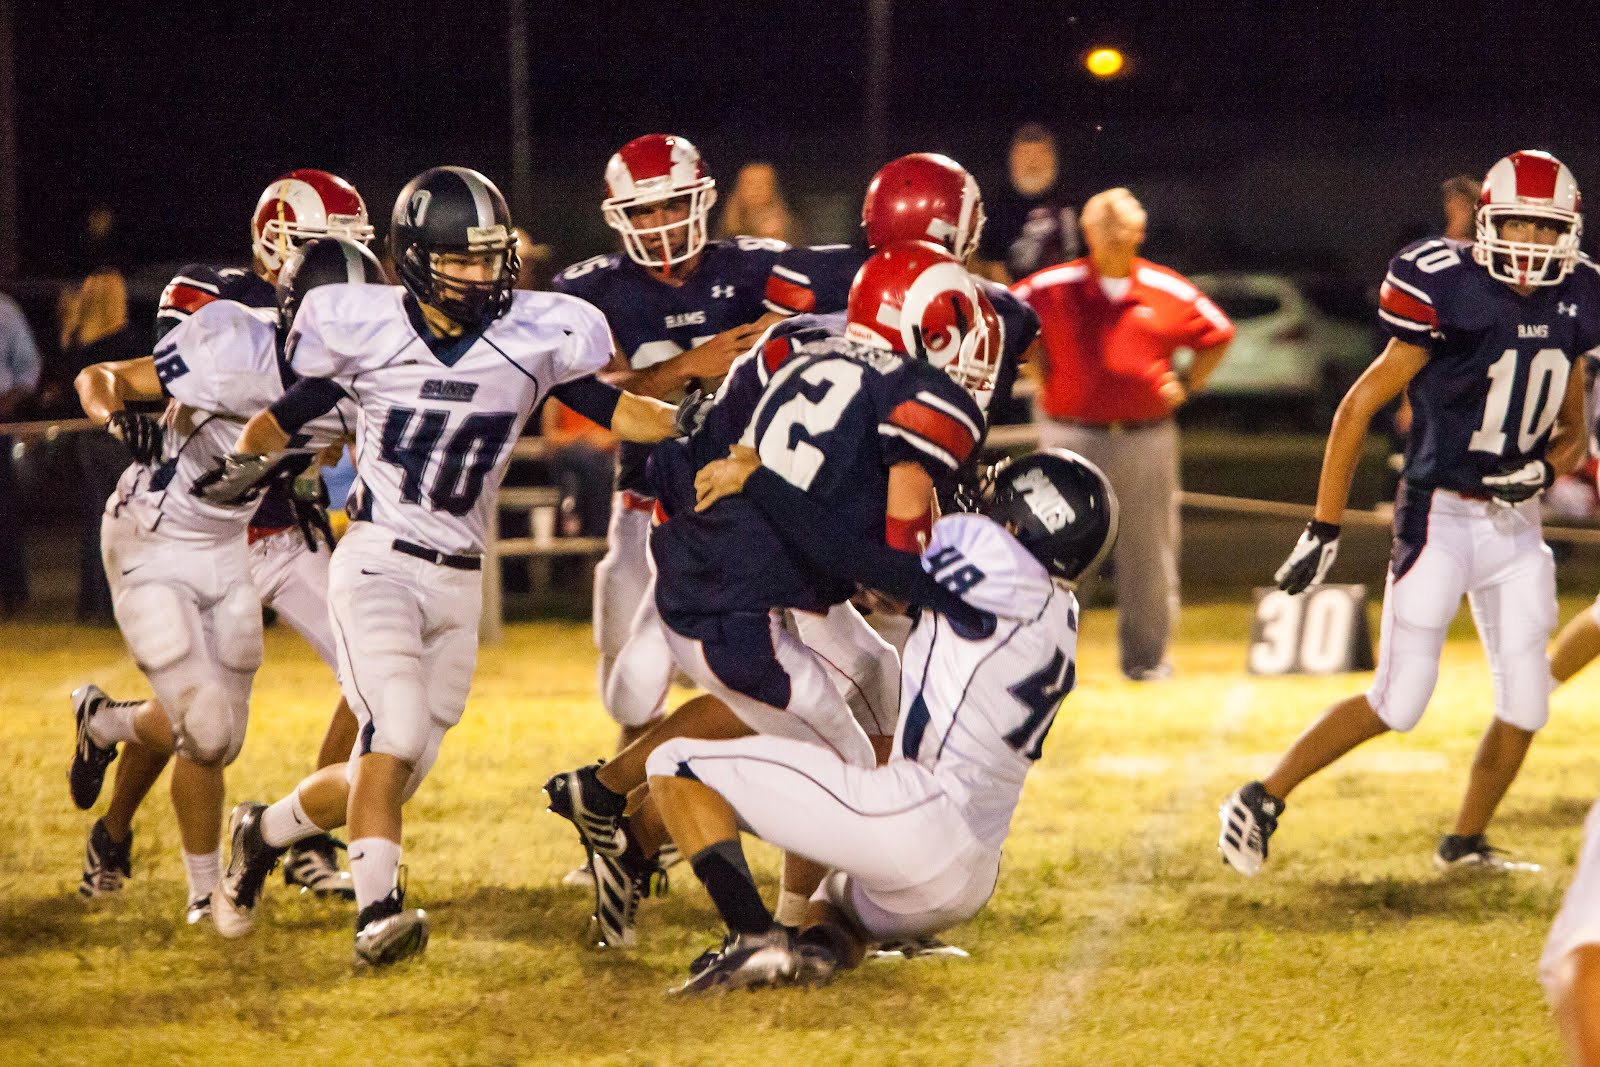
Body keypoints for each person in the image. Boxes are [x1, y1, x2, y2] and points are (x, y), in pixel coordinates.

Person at [205, 166, 681, 966]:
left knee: (393, 768)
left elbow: (619, 407)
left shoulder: (528, 339)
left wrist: (701, 420)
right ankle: (377, 914)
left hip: (460, 575)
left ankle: (262, 829)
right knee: (391, 727)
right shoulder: (366, 331)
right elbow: (277, 421)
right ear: (418, 258)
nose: (481, 273)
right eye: (462, 259)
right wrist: (240, 476)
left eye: (492, 257)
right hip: (379, 559)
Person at [543, 241, 990, 949]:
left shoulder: (794, 344)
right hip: (743, 587)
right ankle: (777, 924)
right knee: (836, 773)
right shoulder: (905, 394)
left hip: (731, 562)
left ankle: (610, 799)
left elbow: (697, 451)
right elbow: (877, 561)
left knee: (867, 685)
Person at [1218, 150, 1598, 877]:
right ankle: (1261, 795)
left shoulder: (1579, 299)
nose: (1528, 244)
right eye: (1515, 224)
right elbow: (1359, 403)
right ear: (1487, 222)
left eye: (1545, 230)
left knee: (1527, 696)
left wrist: (1542, 470)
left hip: (1516, 527)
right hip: (1441, 515)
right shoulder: (1447, 287)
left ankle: (1464, 842)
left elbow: (1573, 435)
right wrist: (1323, 526)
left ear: (1569, 234)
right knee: (1400, 700)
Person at [644, 447, 1114, 992]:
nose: (981, 508)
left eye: (998, 505)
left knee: (675, 765)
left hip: (920, 821)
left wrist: (761, 482)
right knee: (831, 901)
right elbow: (932, 605)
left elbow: (860, 559)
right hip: (970, 871)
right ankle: (820, 956)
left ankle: (752, 941)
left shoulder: (999, 568)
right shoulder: (1055, 612)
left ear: (1023, 525)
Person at [75, 170, 377, 911]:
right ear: (275, 246)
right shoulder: (217, 309)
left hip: (282, 525)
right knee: (193, 718)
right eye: (320, 251)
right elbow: (155, 385)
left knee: (377, 680)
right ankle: (116, 821)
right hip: (205, 531)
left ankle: (304, 830)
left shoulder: (356, 330)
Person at [552, 133, 855, 761]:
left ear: (702, 201)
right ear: (619, 219)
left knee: (774, 667)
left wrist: (791, 328)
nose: (660, 223)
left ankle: (787, 780)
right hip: (641, 504)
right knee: (630, 691)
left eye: (671, 205)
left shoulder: (750, 267)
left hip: (746, 506)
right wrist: (690, 366)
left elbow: (852, 284)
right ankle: (626, 832)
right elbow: (581, 400)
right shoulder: (591, 291)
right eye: (643, 211)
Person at [1013, 188, 1233, 681]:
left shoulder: (1166, 289)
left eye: (1122, 226)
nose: (1113, 236)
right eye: (1103, 226)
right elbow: (1009, 320)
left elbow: (1218, 333)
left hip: (1145, 434)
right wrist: (1039, 372)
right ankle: (1047, 664)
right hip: (1070, 435)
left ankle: (1148, 660)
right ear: (1086, 233)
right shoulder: (1052, 286)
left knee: (1149, 549)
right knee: (1058, 547)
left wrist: (1189, 382)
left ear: (1139, 232)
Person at [972, 123, 1084, 285]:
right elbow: (991, 266)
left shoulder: (1076, 202)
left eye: (1041, 153)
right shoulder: (996, 210)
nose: (1033, 162)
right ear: (1012, 160)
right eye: (1025, 153)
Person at [0, 289, 41, 615]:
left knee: (4, 510)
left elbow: (28, 367)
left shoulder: (5, 310)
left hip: (0, 424)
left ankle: (12, 591)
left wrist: (8, 404)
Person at [716, 162, 800, 243]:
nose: (756, 190)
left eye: (763, 184)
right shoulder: (729, 227)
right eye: (750, 183)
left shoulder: (785, 226)